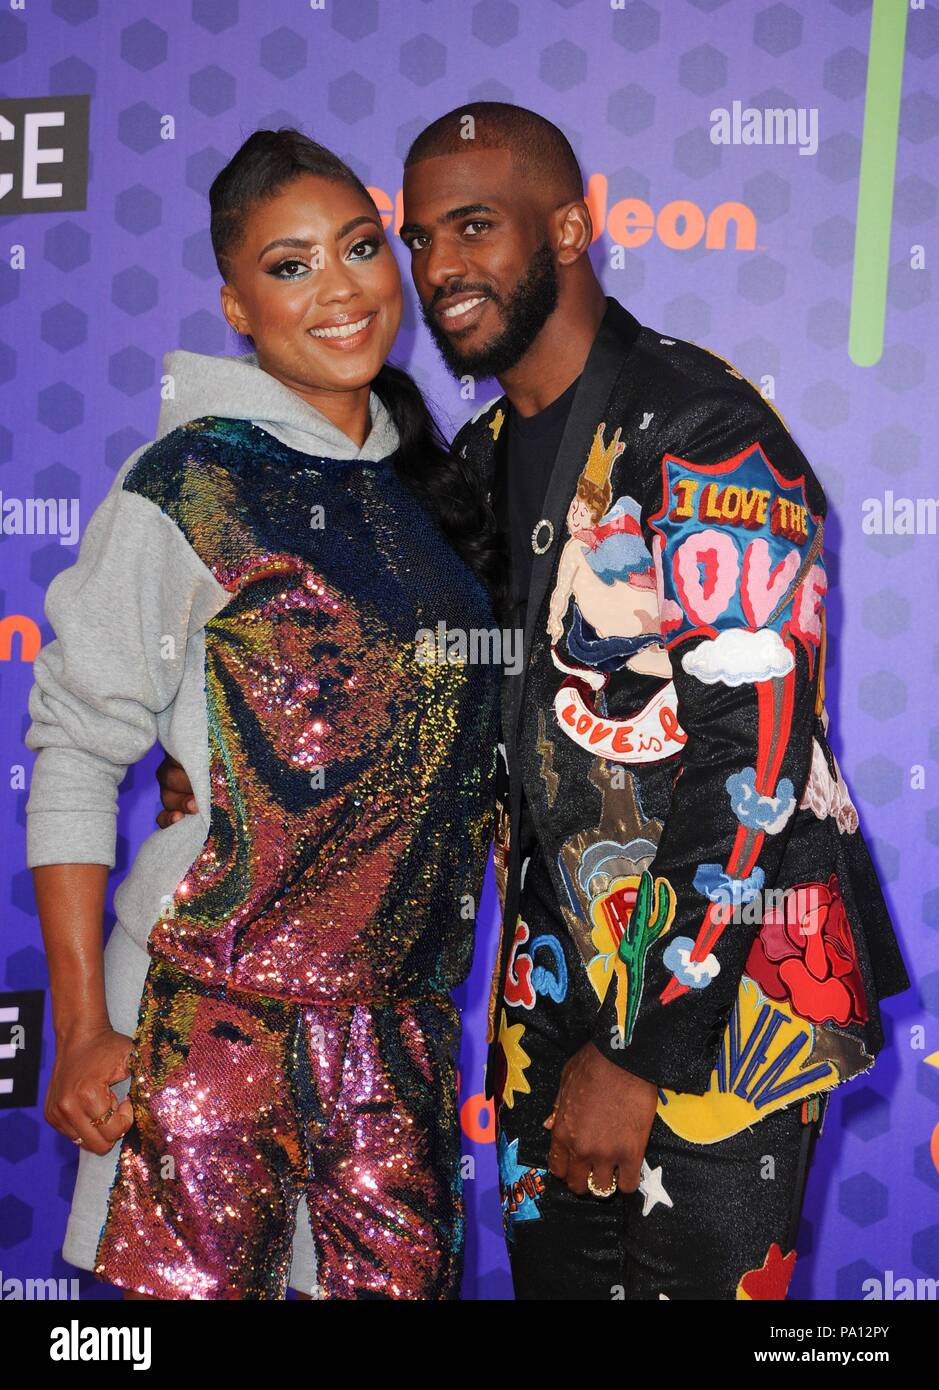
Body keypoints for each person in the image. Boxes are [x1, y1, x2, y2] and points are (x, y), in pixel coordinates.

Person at [161, 103, 912, 1301]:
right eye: (419, 239)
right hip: (550, 1002)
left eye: (474, 227)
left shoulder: (705, 431)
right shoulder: (477, 459)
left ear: (567, 227)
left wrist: (640, 1052)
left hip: (722, 1010)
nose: (439, 267)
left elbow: (756, 760)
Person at [26, 128, 502, 1301]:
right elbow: (79, 750)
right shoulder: (191, 481)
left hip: (397, 1042)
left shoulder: (444, 488)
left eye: (358, 248)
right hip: (206, 1022)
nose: (340, 290)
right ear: (237, 303)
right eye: (291, 267)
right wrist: (82, 1026)